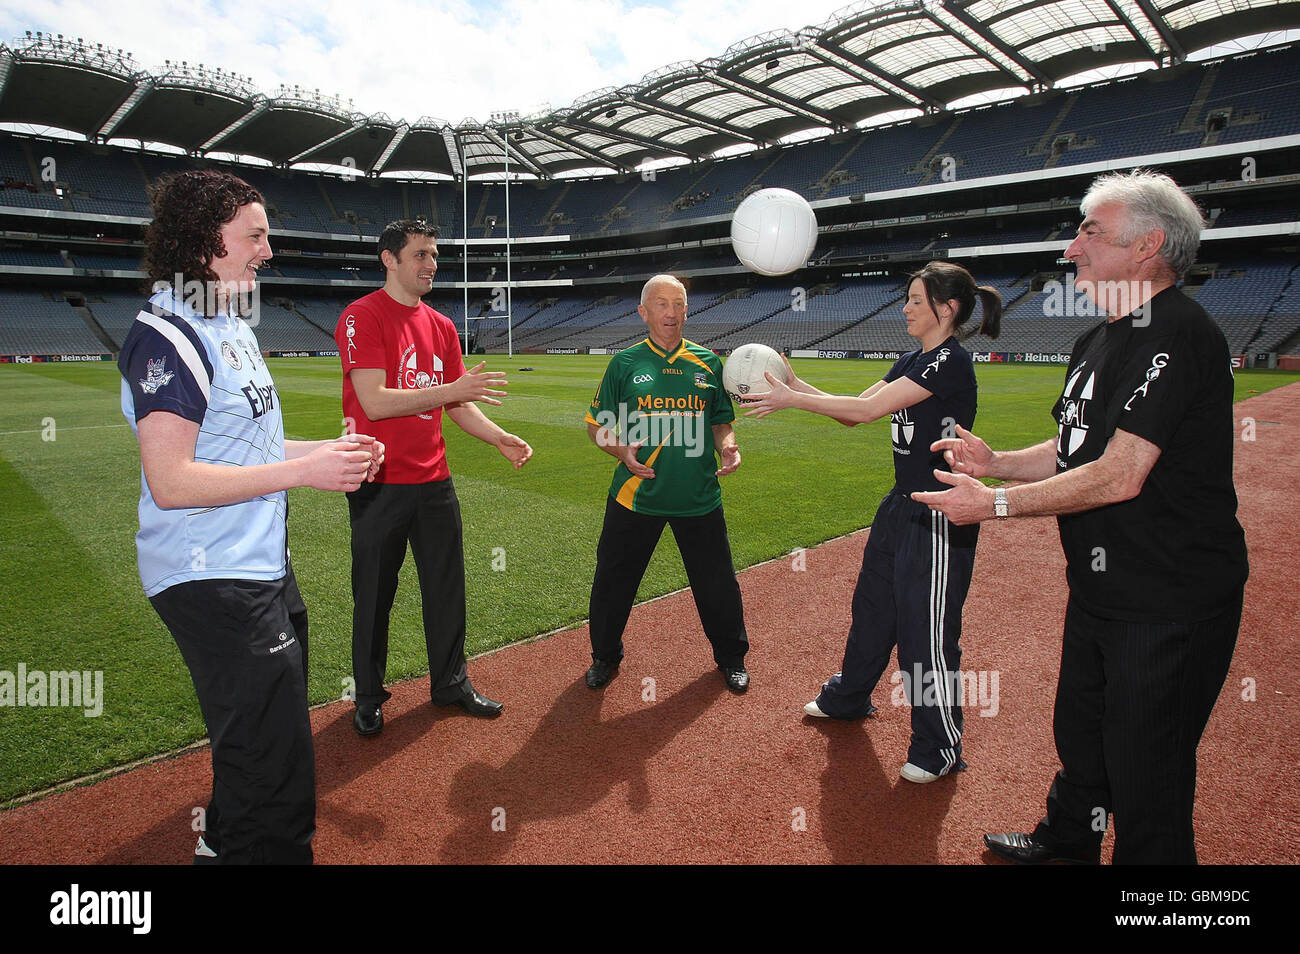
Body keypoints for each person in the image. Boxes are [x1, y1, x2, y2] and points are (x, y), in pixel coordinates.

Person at [913, 170, 1248, 864]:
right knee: (1084, 736)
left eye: (1091, 232)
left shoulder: (1179, 333)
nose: (1072, 250)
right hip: (1104, 589)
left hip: (1170, 603)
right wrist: (996, 460)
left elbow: (1121, 475)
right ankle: (1068, 844)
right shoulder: (1098, 338)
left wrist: (994, 505)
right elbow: (1072, 452)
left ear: (1149, 244)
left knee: (1147, 772)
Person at [118, 170, 384, 864]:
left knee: (262, 741)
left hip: (261, 565)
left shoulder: (230, 322)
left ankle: (225, 844)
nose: (268, 250)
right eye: (255, 235)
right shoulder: (167, 338)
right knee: (280, 770)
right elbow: (171, 481)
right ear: (206, 243)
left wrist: (333, 450)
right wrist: (304, 472)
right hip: (210, 577)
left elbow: (253, 446)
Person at [741, 262, 1001, 783]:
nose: (905, 307)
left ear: (946, 310)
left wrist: (791, 399)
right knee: (873, 609)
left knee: (926, 634)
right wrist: (795, 383)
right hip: (900, 506)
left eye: (915, 300)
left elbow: (865, 413)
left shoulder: (950, 362)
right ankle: (849, 697)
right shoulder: (913, 359)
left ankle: (939, 745)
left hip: (940, 511)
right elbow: (855, 409)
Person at [336, 219, 531, 736]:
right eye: (420, 254)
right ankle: (369, 694)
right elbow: (375, 403)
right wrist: (452, 391)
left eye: (434, 254)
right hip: (378, 480)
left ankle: (450, 683)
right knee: (375, 593)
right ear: (390, 259)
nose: (430, 264)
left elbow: (459, 404)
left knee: (446, 588)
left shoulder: (443, 326)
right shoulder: (361, 317)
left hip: (434, 482)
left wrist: (499, 437)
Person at [583, 274, 749, 693]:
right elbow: (596, 426)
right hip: (635, 496)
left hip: (699, 497)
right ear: (643, 312)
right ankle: (604, 656)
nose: (671, 312)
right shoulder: (624, 363)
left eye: (679, 304)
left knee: (718, 585)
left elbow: (720, 423)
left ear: (688, 310)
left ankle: (731, 658)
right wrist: (622, 452)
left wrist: (728, 446)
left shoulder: (709, 363)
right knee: (613, 584)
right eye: (661, 304)